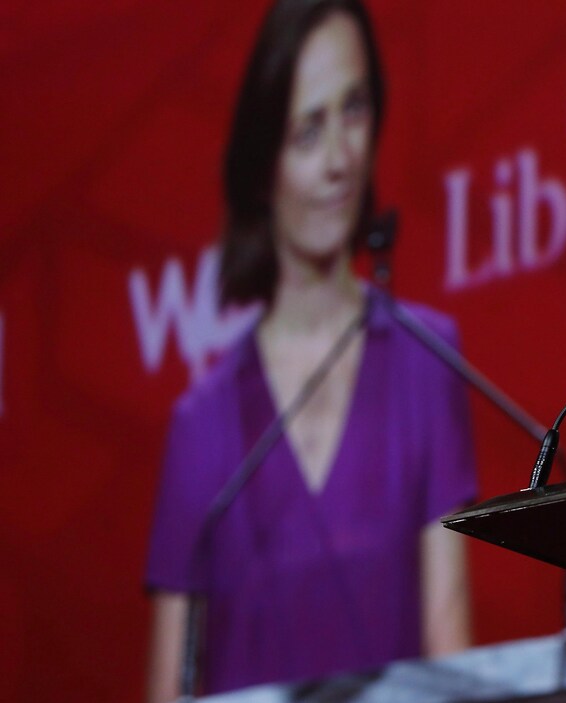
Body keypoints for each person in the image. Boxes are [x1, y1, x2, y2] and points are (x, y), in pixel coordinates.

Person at [144, 1, 477, 700]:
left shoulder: (427, 360)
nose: (338, 161)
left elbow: (452, 659)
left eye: (353, 110)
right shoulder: (200, 425)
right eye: (306, 132)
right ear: (262, 166)